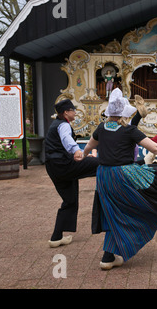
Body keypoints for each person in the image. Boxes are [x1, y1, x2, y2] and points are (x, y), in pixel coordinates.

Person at [81, 88, 157, 270]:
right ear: (124, 114)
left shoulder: (101, 128)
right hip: (123, 175)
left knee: (113, 210)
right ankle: (110, 253)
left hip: (103, 175)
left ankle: (108, 256)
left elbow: (89, 146)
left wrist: (83, 154)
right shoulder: (129, 130)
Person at [45, 99, 99, 248]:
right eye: (72, 109)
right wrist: (76, 150)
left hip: (54, 168)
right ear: (66, 112)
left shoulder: (56, 124)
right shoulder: (63, 125)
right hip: (63, 166)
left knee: (70, 200)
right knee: (100, 164)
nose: (75, 111)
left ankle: (56, 237)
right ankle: (128, 169)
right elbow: (66, 139)